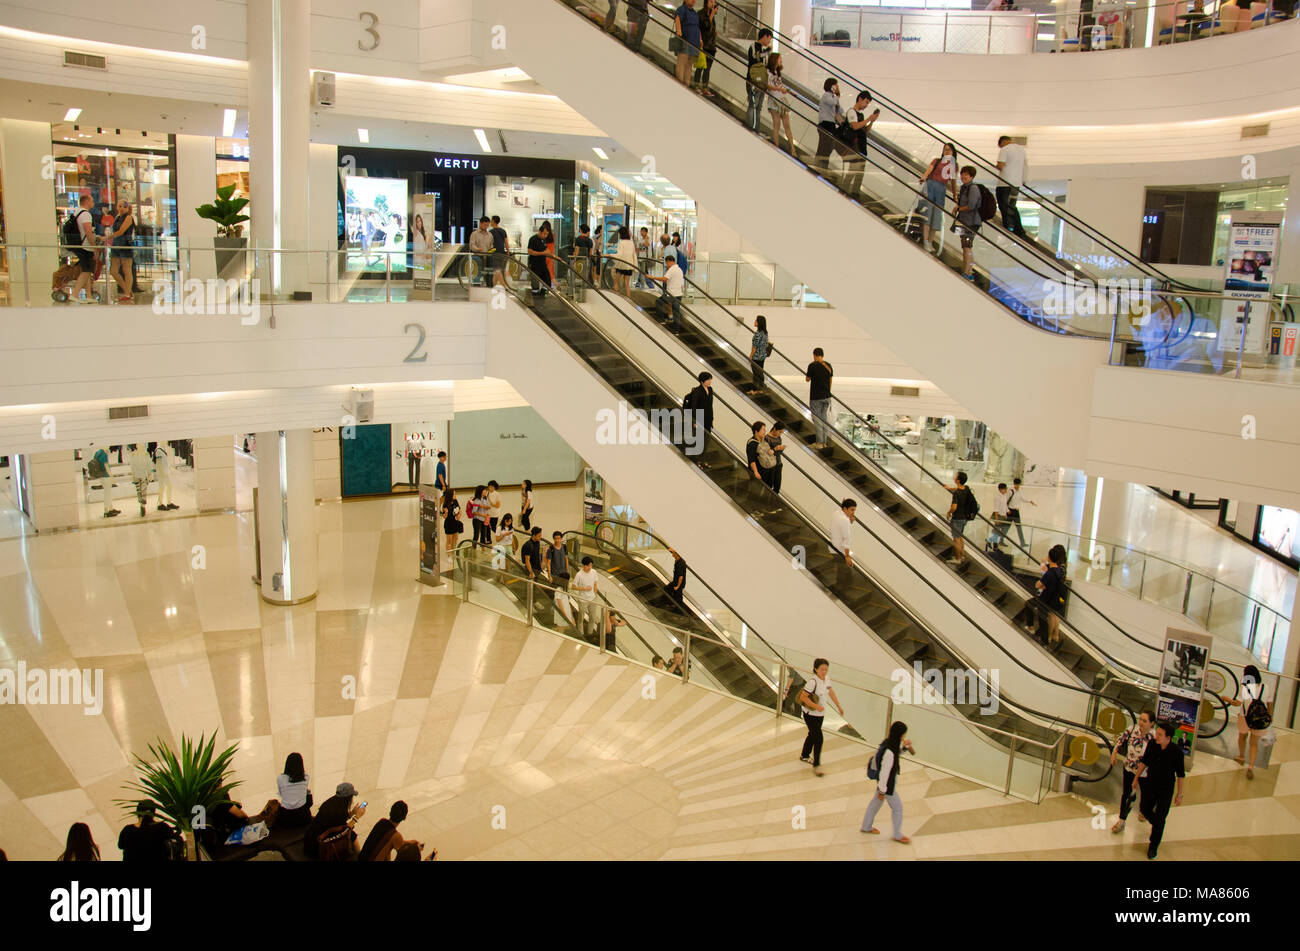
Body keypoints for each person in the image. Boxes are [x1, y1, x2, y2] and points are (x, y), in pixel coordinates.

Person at [1130, 720, 1184, 859]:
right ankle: (1158, 825)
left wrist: (1180, 794)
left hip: (1166, 788)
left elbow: (1181, 774)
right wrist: (1136, 778)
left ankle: (1153, 846)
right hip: (1151, 783)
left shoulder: (1176, 752)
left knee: (1161, 817)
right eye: (1157, 733)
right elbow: (1145, 761)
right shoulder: (1153, 745)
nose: (1156, 736)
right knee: (1145, 809)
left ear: (1168, 738)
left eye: (1160, 735)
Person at [860, 720, 915, 843]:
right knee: (898, 808)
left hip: (884, 784)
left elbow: (895, 755)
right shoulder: (889, 752)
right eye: (904, 734)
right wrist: (882, 790)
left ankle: (866, 826)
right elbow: (885, 772)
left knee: (874, 804)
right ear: (900, 734)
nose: (904, 736)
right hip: (887, 785)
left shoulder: (889, 743)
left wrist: (904, 748)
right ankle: (897, 835)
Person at [1223, 665, 1273, 780]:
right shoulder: (1266, 687)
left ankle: (1241, 757)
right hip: (1260, 719)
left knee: (1242, 737)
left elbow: (1237, 703)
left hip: (1245, 717)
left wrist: (1227, 699)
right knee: (1254, 743)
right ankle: (1250, 766)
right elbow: (1270, 703)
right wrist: (1270, 716)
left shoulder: (1245, 688)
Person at [1109, 709, 1155, 834]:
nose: (1141, 723)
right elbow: (1120, 741)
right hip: (1129, 767)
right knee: (1127, 794)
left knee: (1146, 795)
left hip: (1145, 773)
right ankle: (1122, 820)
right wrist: (1114, 754)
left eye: (1145, 721)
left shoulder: (1154, 737)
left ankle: (1143, 811)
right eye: (1141, 719)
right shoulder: (1132, 729)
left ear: (1151, 723)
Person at [798, 659, 844, 776]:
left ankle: (804, 755)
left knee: (813, 735)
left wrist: (838, 705)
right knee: (819, 738)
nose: (824, 671)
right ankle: (817, 765)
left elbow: (830, 691)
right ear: (816, 669)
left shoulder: (826, 679)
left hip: (820, 715)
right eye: (821, 669)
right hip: (810, 714)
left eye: (826, 669)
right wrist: (816, 706)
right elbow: (803, 697)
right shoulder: (812, 682)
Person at [304, 782, 367, 860]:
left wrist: (352, 813)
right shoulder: (339, 809)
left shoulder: (331, 802)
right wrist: (357, 817)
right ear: (349, 798)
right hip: (318, 846)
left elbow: (338, 820)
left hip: (310, 841)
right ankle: (360, 857)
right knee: (353, 835)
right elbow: (345, 830)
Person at [919, 142, 958, 253]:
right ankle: (925, 240)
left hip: (941, 189)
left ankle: (930, 241)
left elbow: (953, 181)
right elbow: (928, 170)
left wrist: (955, 195)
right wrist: (924, 178)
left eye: (949, 150)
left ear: (953, 152)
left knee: (937, 216)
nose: (946, 151)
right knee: (927, 214)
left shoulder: (954, 165)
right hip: (931, 186)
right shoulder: (937, 161)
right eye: (945, 149)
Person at [840, 91, 879, 198]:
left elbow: (864, 131)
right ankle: (844, 190)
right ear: (860, 99)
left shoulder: (861, 115)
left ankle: (855, 192)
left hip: (861, 147)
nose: (866, 106)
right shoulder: (852, 112)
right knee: (853, 170)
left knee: (859, 172)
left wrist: (871, 122)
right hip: (854, 147)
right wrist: (868, 119)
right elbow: (855, 126)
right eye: (866, 102)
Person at [1030, 544, 1068, 648]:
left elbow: (1042, 579)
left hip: (1053, 594)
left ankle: (1049, 636)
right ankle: (1055, 635)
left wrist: (1045, 565)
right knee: (1055, 615)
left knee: (1050, 615)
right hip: (1059, 594)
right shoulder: (1062, 566)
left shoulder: (1058, 568)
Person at [995, 135, 1029, 238]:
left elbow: (1000, 165)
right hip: (1016, 183)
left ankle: (1009, 227)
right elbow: (1025, 166)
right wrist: (1023, 180)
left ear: (1002, 142)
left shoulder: (1005, 149)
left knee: (1004, 206)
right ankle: (1019, 229)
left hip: (1005, 182)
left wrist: (996, 166)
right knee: (1012, 206)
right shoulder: (1022, 150)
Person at [953, 165, 982, 279]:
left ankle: (968, 272)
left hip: (971, 222)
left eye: (966, 174)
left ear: (972, 176)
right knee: (965, 246)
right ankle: (967, 270)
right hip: (964, 221)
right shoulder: (964, 187)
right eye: (962, 174)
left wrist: (958, 209)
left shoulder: (973, 188)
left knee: (967, 247)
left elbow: (971, 206)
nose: (963, 176)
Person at [814, 78, 846, 180]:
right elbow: (831, 102)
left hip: (831, 125)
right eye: (836, 85)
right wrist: (836, 97)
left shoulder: (833, 98)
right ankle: (818, 169)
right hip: (825, 124)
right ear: (831, 86)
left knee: (826, 149)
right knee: (823, 148)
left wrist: (837, 99)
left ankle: (822, 169)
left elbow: (840, 110)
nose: (837, 88)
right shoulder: (826, 96)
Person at [648, 251, 686, 333]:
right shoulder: (679, 270)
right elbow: (671, 281)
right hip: (679, 294)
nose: (667, 265)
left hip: (671, 295)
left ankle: (661, 320)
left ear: (669, 261)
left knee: (658, 302)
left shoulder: (671, 269)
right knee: (676, 312)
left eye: (666, 263)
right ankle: (676, 330)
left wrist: (653, 277)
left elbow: (665, 279)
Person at [944, 472, 977, 566]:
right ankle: (962, 556)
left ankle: (958, 558)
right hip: (964, 517)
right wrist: (950, 488)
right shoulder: (966, 488)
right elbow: (958, 489)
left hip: (957, 518)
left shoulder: (957, 494)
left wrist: (949, 512)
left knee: (956, 539)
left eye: (956, 476)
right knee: (960, 536)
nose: (954, 477)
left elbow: (954, 507)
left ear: (958, 480)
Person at [69, 194, 97, 303]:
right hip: (86, 246)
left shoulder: (77, 213)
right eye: (92, 201)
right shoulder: (85, 214)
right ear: (87, 202)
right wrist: (94, 247)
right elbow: (88, 232)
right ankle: (75, 294)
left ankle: (89, 295)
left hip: (80, 244)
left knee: (87, 270)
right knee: (86, 270)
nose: (93, 203)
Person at [805, 348, 834, 448]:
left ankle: (819, 443)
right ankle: (824, 442)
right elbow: (830, 380)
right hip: (827, 396)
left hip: (816, 397)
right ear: (822, 355)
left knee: (817, 420)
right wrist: (827, 391)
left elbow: (807, 379)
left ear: (814, 355)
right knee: (823, 419)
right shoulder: (828, 365)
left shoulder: (812, 365)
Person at [108, 199, 136, 303]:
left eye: (124, 206)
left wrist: (107, 237)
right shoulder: (117, 218)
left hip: (125, 245)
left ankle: (127, 293)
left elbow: (121, 231)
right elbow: (116, 232)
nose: (121, 208)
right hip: (116, 245)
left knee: (126, 269)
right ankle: (127, 290)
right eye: (119, 206)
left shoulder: (128, 218)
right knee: (113, 271)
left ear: (128, 208)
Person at [746, 28, 774, 131]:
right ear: (765, 36)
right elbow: (755, 57)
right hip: (753, 80)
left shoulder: (762, 49)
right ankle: (750, 128)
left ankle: (756, 128)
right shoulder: (754, 46)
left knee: (758, 107)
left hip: (762, 82)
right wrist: (767, 52)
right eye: (769, 39)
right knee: (753, 105)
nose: (769, 41)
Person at [765, 53, 794, 154]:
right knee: (776, 125)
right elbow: (768, 86)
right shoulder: (768, 72)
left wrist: (785, 90)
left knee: (787, 126)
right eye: (780, 58)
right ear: (775, 60)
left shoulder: (777, 73)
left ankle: (793, 149)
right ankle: (776, 147)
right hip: (774, 100)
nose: (781, 60)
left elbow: (779, 85)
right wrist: (779, 89)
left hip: (781, 99)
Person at [684, 371, 714, 462]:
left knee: (707, 440)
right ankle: (697, 459)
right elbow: (693, 407)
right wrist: (694, 421)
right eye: (708, 379)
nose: (710, 381)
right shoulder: (697, 391)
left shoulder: (710, 389)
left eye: (710, 379)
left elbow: (710, 405)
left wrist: (712, 418)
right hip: (699, 417)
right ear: (702, 381)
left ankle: (702, 458)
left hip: (708, 417)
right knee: (699, 440)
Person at [276, 752, 313, 828]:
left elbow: (281, 794)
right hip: (303, 817)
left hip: (285, 818)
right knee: (308, 794)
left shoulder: (280, 778)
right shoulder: (306, 778)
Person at [571, 555, 602, 640]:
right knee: (581, 617)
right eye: (588, 566)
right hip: (583, 600)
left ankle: (590, 633)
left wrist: (595, 593)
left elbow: (595, 582)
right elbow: (573, 587)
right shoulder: (579, 575)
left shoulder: (594, 572)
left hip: (592, 598)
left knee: (592, 617)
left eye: (591, 565)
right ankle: (581, 634)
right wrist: (584, 589)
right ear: (584, 565)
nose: (590, 567)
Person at [693, 0, 719, 96]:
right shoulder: (701, 14)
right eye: (711, 1)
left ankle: (705, 87)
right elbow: (705, 27)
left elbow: (711, 30)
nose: (713, 4)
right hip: (703, 45)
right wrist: (711, 16)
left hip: (711, 46)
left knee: (707, 69)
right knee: (700, 66)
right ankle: (696, 85)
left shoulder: (711, 15)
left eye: (714, 2)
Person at [745, 420, 772, 514]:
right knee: (754, 491)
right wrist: (756, 472)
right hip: (756, 472)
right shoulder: (752, 443)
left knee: (762, 491)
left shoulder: (763, 442)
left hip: (764, 471)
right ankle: (751, 510)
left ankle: (760, 508)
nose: (765, 432)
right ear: (756, 431)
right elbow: (751, 459)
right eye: (763, 430)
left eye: (765, 430)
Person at [673, 0, 701, 88]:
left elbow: (697, 27)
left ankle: (687, 84)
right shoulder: (682, 9)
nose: (693, 1)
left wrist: (700, 39)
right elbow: (677, 19)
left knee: (689, 65)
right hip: (685, 40)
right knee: (682, 62)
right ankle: (680, 83)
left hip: (694, 42)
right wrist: (679, 31)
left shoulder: (695, 13)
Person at [831, 498, 856, 591]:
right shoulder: (845, 520)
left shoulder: (836, 513)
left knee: (843, 571)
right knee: (842, 573)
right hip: (840, 550)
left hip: (833, 547)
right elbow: (847, 540)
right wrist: (847, 556)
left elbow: (841, 528)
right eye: (852, 510)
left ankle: (842, 588)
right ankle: (839, 590)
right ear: (845, 509)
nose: (853, 513)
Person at [1005, 477, 1035, 547]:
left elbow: (1023, 499)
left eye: (1018, 484)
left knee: (1019, 528)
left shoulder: (1020, 491)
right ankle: (1000, 540)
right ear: (1014, 484)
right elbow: (1005, 501)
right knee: (1006, 527)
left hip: (1016, 511)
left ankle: (1022, 542)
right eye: (1016, 484)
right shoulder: (1010, 491)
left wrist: (1030, 501)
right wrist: (1007, 510)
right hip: (1010, 511)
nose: (1017, 486)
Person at [128, 443, 153, 518]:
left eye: (142, 445)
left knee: (144, 490)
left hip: (143, 475)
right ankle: (141, 504)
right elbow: (132, 466)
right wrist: (132, 475)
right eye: (139, 445)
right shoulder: (133, 455)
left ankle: (143, 506)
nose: (141, 446)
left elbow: (149, 465)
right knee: (139, 491)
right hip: (136, 475)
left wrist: (149, 474)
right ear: (136, 446)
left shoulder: (146, 454)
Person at [527, 222, 551, 297]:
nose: (545, 236)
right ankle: (535, 295)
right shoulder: (533, 239)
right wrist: (542, 253)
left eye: (547, 234)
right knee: (535, 283)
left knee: (547, 280)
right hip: (534, 264)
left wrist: (554, 256)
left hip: (542, 263)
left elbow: (547, 251)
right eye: (544, 234)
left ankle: (542, 294)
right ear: (540, 232)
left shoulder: (544, 240)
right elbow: (530, 251)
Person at [748, 314, 769, 395]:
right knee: (760, 373)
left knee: (755, 374)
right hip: (762, 356)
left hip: (756, 356)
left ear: (759, 323)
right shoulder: (765, 333)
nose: (755, 322)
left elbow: (754, 346)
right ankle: (760, 389)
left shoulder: (757, 333)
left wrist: (750, 356)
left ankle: (754, 390)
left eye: (756, 320)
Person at [468, 216, 493, 285]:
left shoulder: (490, 235)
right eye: (485, 225)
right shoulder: (474, 234)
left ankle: (488, 284)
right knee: (478, 270)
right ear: (481, 223)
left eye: (487, 225)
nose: (486, 227)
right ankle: (476, 284)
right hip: (477, 255)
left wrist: (492, 249)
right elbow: (471, 245)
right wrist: (477, 249)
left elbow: (491, 245)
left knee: (488, 271)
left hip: (487, 256)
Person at [613, 225, 637, 297]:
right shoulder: (631, 243)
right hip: (629, 265)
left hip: (621, 265)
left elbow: (619, 254)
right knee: (627, 283)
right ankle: (628, 299)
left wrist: (609, 255)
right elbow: (634, 254)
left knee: (616, 280)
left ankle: (616, 296)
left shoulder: (621, 242)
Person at [764, 421, 787, 495]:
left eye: (781, 432)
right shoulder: (767, 438)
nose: (780, 434)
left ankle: (772, 501)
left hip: (778, 463)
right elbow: (766, 453)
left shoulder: (779, 438)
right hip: (771, 465)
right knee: (769, 484)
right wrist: (775, 449)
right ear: (774, 429)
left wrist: (781, 449)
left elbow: (778, 453)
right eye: (779, 432)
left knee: (777, 485)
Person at [988, 482, 1011, 550]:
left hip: (1003, 515)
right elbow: (996, 508)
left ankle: (989, 541)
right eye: (1005, 489)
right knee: (997, 531)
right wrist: (997, 519)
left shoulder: (1004, 496)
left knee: (996, 531)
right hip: (999, 516)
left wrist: (1007, 511)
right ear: (1001, 489)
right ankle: (994, 545)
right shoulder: (997, 497)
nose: (1006, 490)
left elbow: (1005, 505)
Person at [441, 488, 463, 560]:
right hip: (449, 523)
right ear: (450, 495)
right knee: (449, 540)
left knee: (455, 538)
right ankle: (449, 555)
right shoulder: (445, 504)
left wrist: (459, 514)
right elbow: (444, 516)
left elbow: (459, 509)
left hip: (455, 522)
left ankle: (453, 552)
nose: (455, 495)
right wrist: (446, 513)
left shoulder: (455, 501)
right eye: (454, 494)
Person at [489, 214, 509, 286]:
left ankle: (504, 286)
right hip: (502, 253)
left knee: (497, 270)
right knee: (498, 270)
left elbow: (490, 243)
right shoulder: (503, 231)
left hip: (495, 253)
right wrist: (508, 252)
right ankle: (494, 285)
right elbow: (506, 242)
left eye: (491, 221)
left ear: (493, 221)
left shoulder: (491, 232)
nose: (490, 222)